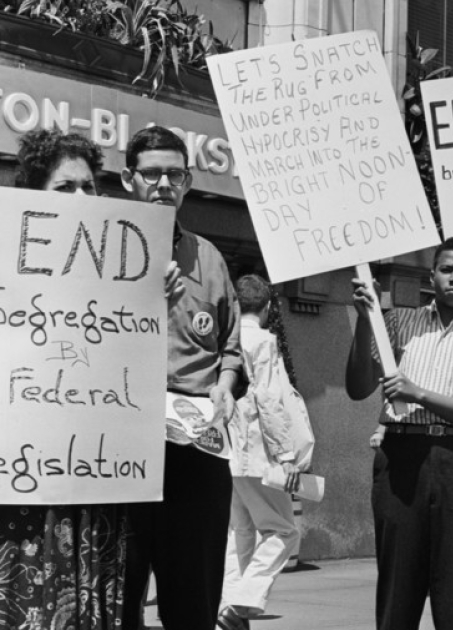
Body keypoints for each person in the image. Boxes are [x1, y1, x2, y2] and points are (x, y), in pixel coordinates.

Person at [0, 129, 180, 630]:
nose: (82, 200)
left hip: (95, 493)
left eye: (89, 188)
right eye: (65, 188)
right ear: (32, 196)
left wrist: (153, 296)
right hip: (24, 493)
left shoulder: (120, 266)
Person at [345, 237, 453, 630]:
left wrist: (418, 392)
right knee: (397, 592)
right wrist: (365, 322)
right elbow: (356, 388)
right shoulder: (397, 324)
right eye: (447, 269)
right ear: (431, 275)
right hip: (400, 457)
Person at [120, 125, 242, 630]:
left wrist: (226, 383)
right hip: (120, 449)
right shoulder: (102, 250)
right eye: (152, 173)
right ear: (129, 180)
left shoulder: (209, 257)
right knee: (117, 598)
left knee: (193, 603)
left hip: (195, 451)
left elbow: (230, 347)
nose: (163, 183)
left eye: (174, 173)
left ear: (189, 180)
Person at [217, 275, 306, 630]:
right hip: (259, 450)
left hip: (228, 450)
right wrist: (287, 455)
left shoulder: (224, 340)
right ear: (268, 307)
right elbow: (270, 400)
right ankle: (241, 602)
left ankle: (227, 604)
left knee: (240, 532)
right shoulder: (265, 342)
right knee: (284, 531)